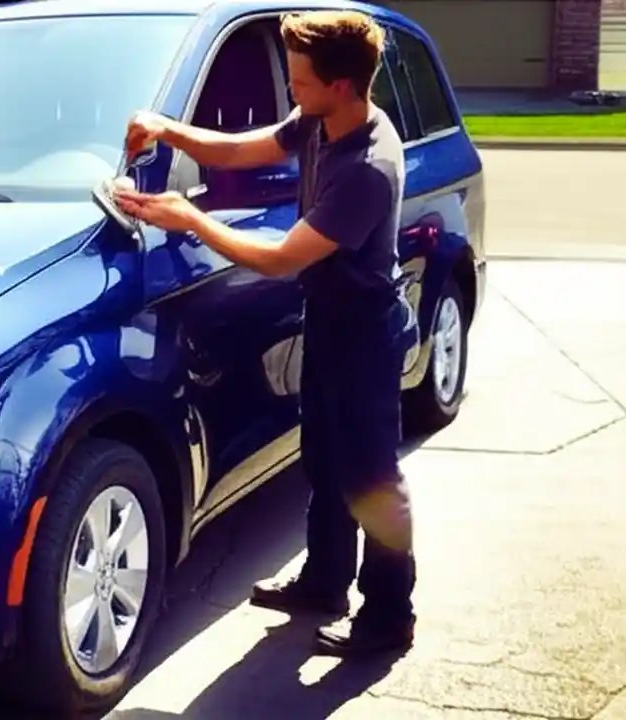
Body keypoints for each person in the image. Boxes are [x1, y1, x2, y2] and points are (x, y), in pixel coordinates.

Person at [115, 9, 418, 657]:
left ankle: (389, 617)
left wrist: (189, 220)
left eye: (303, 82)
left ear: (342, 85)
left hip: (367, 335)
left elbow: (284, 257)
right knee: (326, 460)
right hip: (331, 323)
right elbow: (242, 147)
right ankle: (324, 582)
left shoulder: (367, 166)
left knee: (372, 479)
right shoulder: (319, 119)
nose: (294, 91)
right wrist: (167, 129)